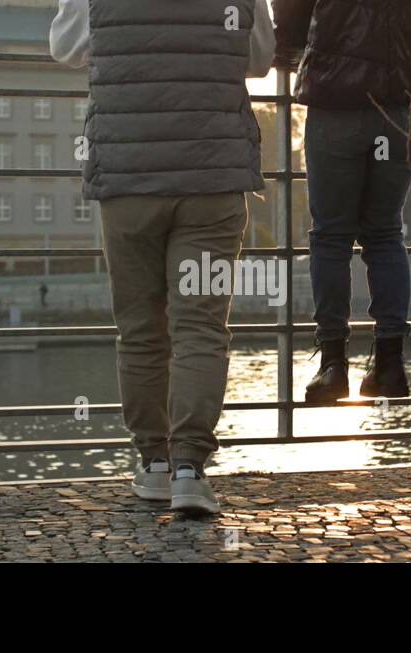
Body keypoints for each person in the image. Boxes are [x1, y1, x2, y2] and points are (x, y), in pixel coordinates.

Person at [50, 0, 274, 514]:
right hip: (212, 182)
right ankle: (190, 469)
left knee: (140, 327)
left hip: (129, 179)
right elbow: (260, 58)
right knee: (201, 326)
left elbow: (66, 48)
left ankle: (153, 463)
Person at [273, 0, 411, 402]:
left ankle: (333, 366)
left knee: (331, 235)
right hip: (404, 103)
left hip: (338, 97)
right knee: (384, 231)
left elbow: (290, 16)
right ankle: (390, 364)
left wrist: (294, 50)